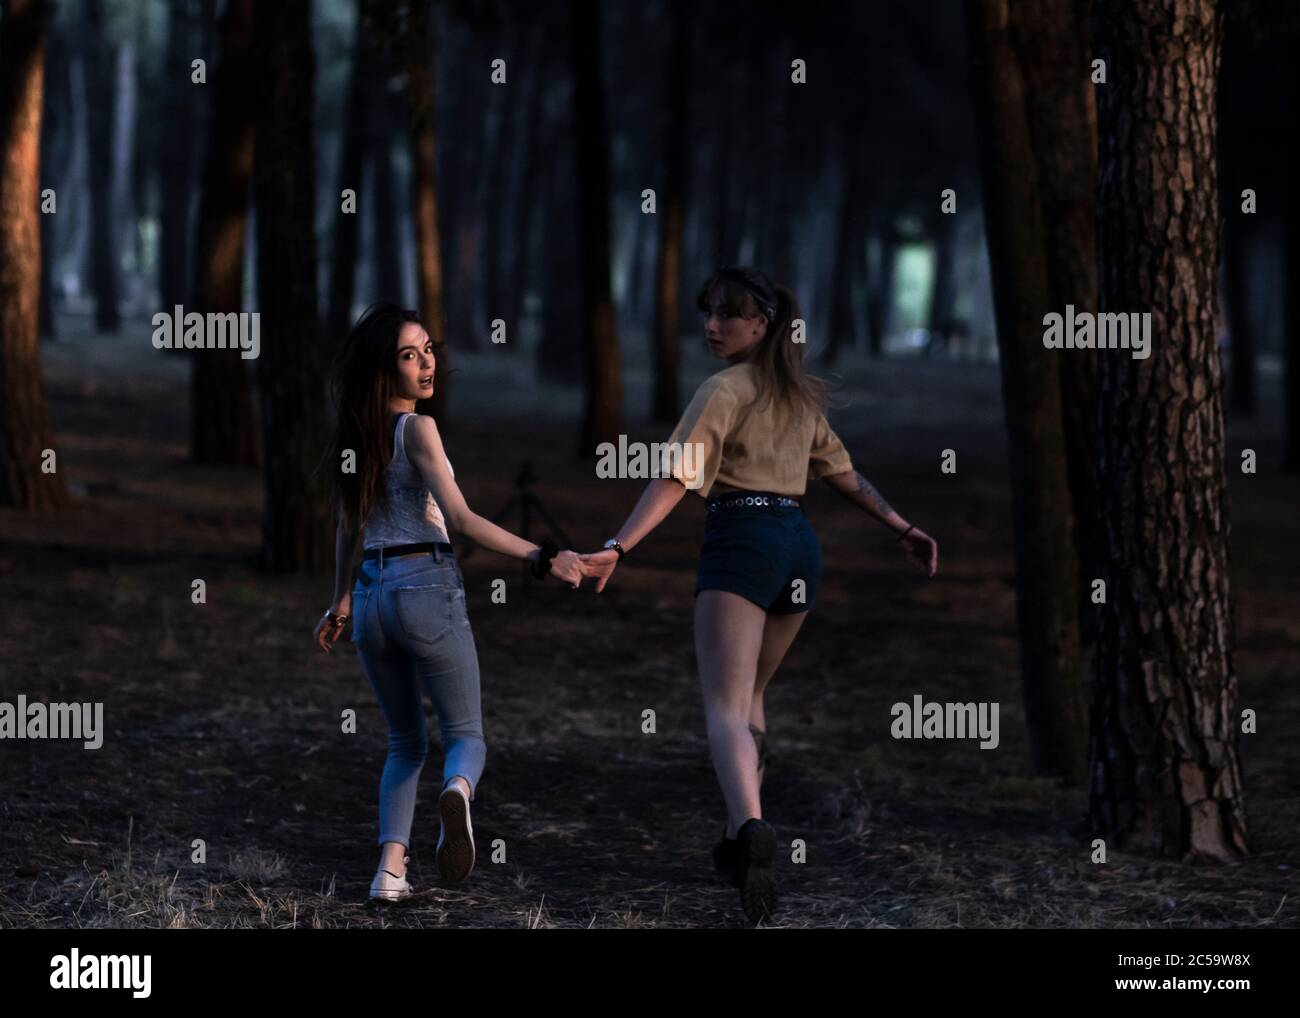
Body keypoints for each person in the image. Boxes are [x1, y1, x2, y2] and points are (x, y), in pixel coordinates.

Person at [581, 266, 939, 923]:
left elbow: (675, 478)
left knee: (722, 706)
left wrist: (618, 546)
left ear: (762, 324)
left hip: (743, 541)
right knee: (753, 697)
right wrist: (903, 528)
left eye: (729, 314)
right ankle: (735, 834)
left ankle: (751, 830)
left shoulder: (724, 389)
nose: (713, 326)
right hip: (798, 547)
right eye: (709, 312)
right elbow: (843, 473)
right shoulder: (799, 396)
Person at [312, 303, 584, 902]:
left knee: (405, 742)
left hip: (372, 596)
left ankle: (389, 873)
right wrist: (543, 557)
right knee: (467, 735)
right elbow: (460, 519)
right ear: (386, 370)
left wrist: (340, 601)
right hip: (425, 585)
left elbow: (346, 526)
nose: (427, 363)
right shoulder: (417, 429)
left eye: (428, 349)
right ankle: (457, 793)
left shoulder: (357, 434)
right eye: (409, 356)